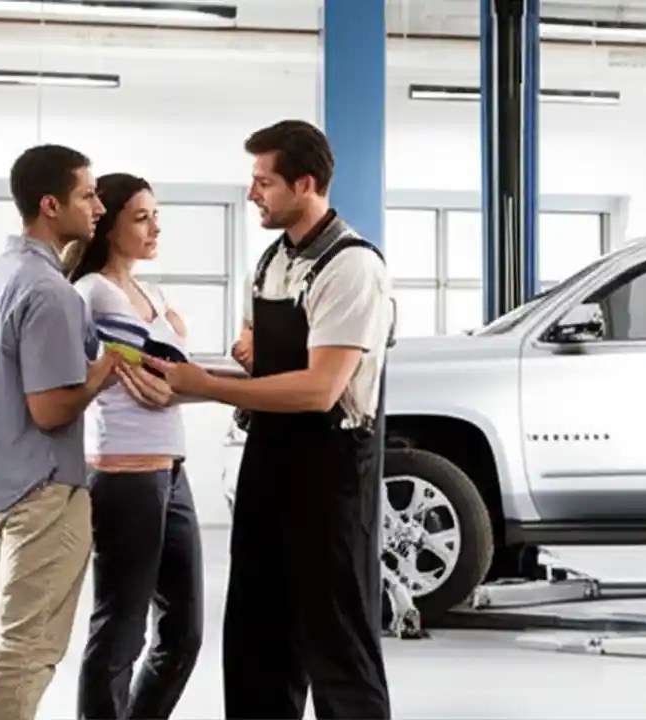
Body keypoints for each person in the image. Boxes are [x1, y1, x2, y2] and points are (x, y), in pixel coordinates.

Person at [145, 119, 394, 719]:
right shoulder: (271, 262)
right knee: (258, 636)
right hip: (269, 462)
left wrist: (202, 386)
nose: (253, 193)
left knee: (335, 637)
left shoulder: (350, 267)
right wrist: (243, 355)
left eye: (264, 182)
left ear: (305, 184)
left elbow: (319, 388)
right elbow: (256, 344)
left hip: (329, 470)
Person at [0, 144, 119, 720]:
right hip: (44, 492)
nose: (99, 206)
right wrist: (102, 375)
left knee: (6, 638)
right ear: (50, 205)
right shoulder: (52, 293)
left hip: (1, 485)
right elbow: (50, 410)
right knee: (30, 650)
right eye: (87, 194)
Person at [63, 173, 204, 719]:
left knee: (183, 634)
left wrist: (184, 380)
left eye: (156, 215)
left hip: (172, 472)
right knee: (121, 632)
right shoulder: (92, 291)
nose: (154, 226)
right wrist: (183, 377)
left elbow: (173, 383)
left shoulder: (154, 293)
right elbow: (151, 382)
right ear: (110, 224)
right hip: (124, 475)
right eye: (141, 217)